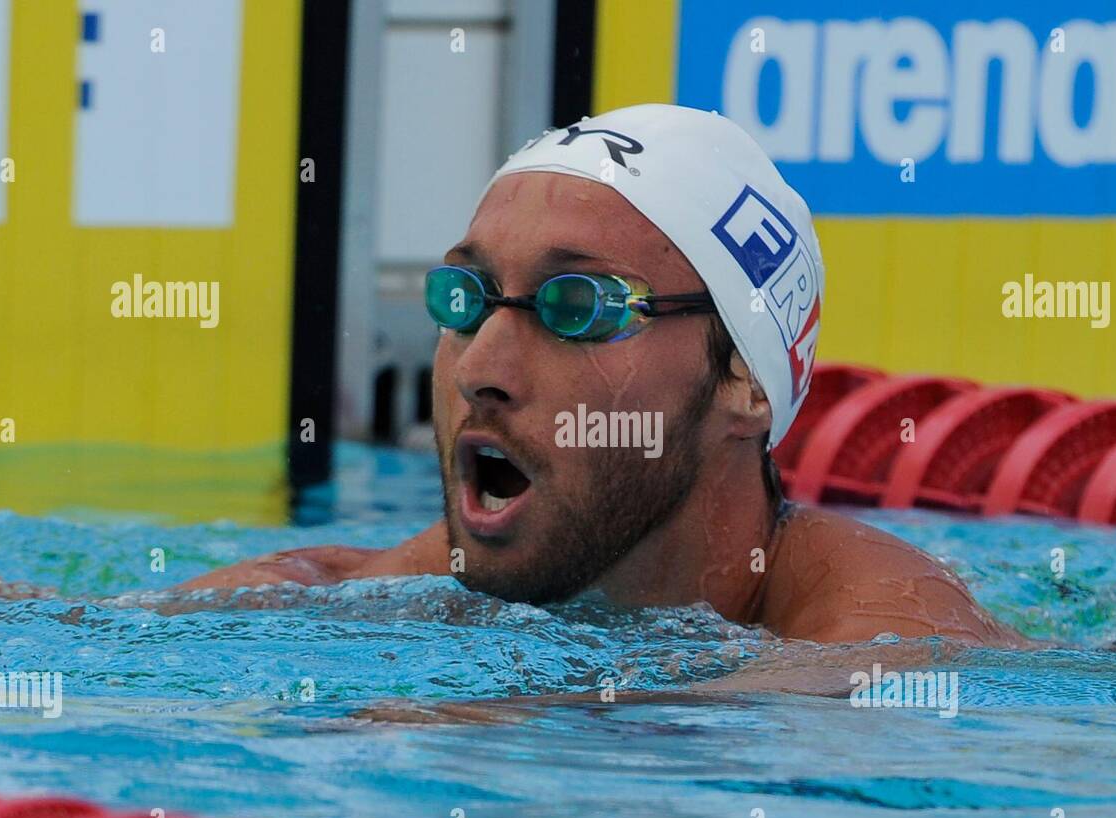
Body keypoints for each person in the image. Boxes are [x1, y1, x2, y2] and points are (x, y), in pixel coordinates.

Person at [182, 104, 1020, 648]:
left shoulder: (892, 636)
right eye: (466, 298)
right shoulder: (408, 587)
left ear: (745, 381)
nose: (480, 369)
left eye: (576, 306)